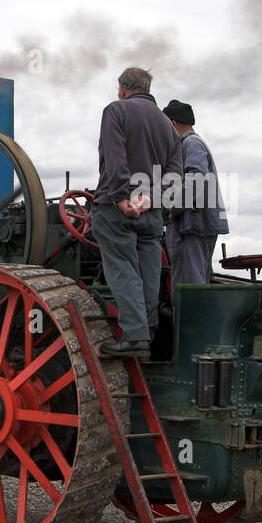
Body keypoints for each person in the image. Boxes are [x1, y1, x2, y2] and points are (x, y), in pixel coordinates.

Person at [91, 67, 183, 361]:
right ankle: (149, 332)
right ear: (147, 87)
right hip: (151, 211)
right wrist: (150, 199)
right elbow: (175, 174)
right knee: (148, 272)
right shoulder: (168, 125)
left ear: (122, 87)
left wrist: (120, 197)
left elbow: (114, 157)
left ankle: (134, 336)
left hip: (116, 207)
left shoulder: (116, 111)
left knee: (122, 268)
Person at [162, 99, 228, 285]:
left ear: (172, 124)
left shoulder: (190, 144)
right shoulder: (191, 144)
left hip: (191, 226)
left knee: (189, 285)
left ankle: (191, 315)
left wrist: (174, 210)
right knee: (196, 281)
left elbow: (197, 178)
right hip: (194, 224)